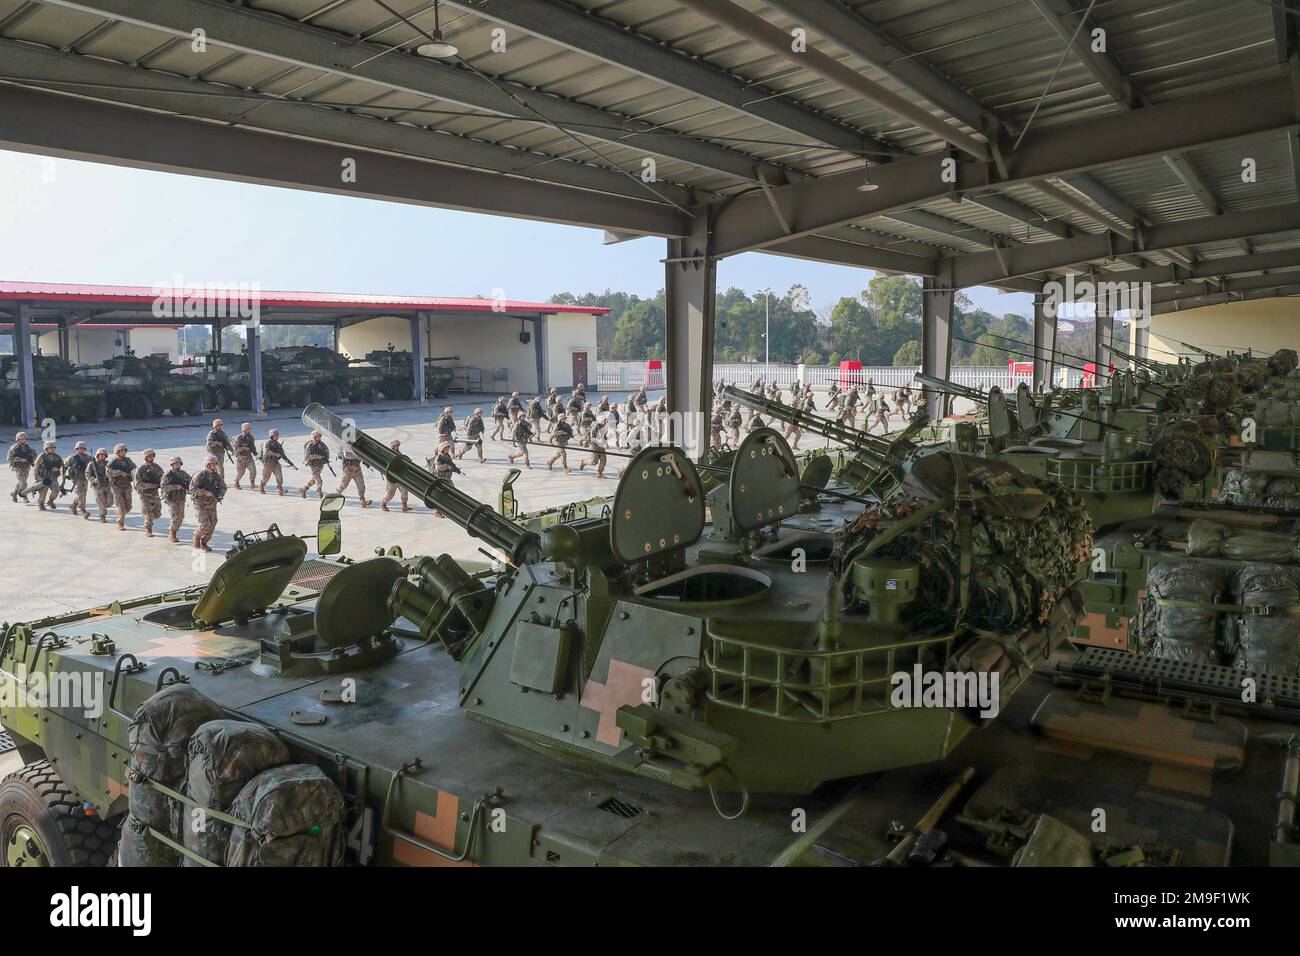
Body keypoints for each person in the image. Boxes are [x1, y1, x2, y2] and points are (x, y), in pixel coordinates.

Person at [189, 454, 225, 551]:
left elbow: (223, 487)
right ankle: (196, 537)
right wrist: (205, 492)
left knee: (213, 522)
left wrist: (220, 495)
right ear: (208, 465)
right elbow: (192, 489)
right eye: (212, 464)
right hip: (199, 503)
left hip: (211, 503)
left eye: (215, 464)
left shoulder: (216, 476)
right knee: (205, 524)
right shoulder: (200, 475)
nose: (214, 466)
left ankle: (204, 541)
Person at [135, 448, 164, 537]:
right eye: (149, 456)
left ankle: (149, 518)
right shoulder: (141, 469)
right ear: (145, 458)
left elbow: (163, 478)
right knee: (149, 513)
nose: (151, 458)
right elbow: (138, 484)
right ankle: (148, 529)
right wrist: (150, 485)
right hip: (144, 495)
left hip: (154, 494)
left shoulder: (157, 467)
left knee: (157, 514)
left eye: (152, 456)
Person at [162, 456, 190, 544]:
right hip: (171, 498)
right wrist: (175, 487)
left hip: (181, 498)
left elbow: (190, 483)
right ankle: (172, 533)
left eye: (179, 463)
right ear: (172, 465)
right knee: (175, 516)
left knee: (181, 517)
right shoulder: (168, 475)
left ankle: (174, 530)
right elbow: (163, 487)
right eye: (175, 464)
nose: (177, 465)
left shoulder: (184, 474)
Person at [107, 443, 136, 531]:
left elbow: (134, 469)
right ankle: (120, 523)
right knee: (121, 507)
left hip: (127, 486)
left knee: (128, 507)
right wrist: (119, 473)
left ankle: (119, 513)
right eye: (122, 451)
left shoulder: (128, 461)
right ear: (117, 452)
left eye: (125, 451)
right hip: (117, 487)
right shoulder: (113, 461)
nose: (124, 453)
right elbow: (108, 472)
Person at [430, 440, 461, 518]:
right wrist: (446, 467)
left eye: (448, 448)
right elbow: (438, 467)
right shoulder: (439, 457)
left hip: (447, 479)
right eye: (445, 448)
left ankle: (449, 509)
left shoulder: (448, 456)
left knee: (453, 492)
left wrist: (455, 469)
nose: (447, 449)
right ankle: (437, 512)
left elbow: (452, 465)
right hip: (441, 479)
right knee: (441, 495)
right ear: (442, 449)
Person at [380, 438, 412, 512]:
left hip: (400, 475)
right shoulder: (388, 453)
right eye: (396, 445)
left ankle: (404, 506)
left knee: (404, 490)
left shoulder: (399, 453)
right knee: (390, 493)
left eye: (398, 445)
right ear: (392, 446)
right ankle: (383, 503)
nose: (397, 447)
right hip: (392, 477)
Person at [32, 439, 63, 511]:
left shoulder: (57, 457)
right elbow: (36, 468)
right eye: (50, 448)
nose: (52, 449)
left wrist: (58, 469)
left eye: (53, 448)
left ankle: (50, 501)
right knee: (43, 493)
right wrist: (36, 479)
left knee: (56, 490)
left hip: (53, 477)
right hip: (43, 478)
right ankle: (41, 504)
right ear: (46, 448)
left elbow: (62, 466)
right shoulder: (41, 457)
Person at [64, 440, 91, 517]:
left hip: (85, 478)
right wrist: (65, 475)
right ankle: (83, 510)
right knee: (80, 495)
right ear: (77, 449)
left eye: (83, 448)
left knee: (83, 494)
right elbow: (65, 467)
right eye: (80, 448)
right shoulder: (72, 458)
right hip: (76, 479)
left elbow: (92, 467)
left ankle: (73, 505)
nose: (81, 450)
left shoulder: (88, 457)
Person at [259, 427, 289, 495]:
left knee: (279, 477)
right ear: (272, 436)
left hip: (275, 463)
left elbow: (282, 453)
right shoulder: (267, 443)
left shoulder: (278, 444)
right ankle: (262, 486)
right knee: (266, 477)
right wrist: (276, 454)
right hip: (268, 463)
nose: (277, 436)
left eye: (278, 435)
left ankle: (280, 490)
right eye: (276, 435)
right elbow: (266, 452)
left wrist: (287, 460)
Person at [300, 430, 329, 498]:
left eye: (320, 436)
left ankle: (303, 489)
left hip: (320, 465)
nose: (319, 438)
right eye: (318, 436)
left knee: (313, 480)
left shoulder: (322, 444)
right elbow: (306, 457)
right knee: (319, 480)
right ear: (314, 437)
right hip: (313, 465)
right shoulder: (310, 445)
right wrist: (317, 456)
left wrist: (325, 459)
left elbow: (327, 452)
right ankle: (320, 494)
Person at [7, 431, 35, 503]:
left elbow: (35, 456)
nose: (23, 440)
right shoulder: (14, 448)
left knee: (21, 481)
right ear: (18, 440)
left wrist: (32, 461)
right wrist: (20, 459)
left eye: (24, 439)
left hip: (26, 467)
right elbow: (9, 459)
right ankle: (24, 496)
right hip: (18, 467)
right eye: (21, 439)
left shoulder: (29, 447)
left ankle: (14, 493)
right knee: (23, 483)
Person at [87, 448, 111, 523]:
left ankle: (103, 509)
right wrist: (93, 479)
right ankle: (102, 516)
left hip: (107, 485)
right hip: (97, 486)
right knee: (100, 502)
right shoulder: (92, 464)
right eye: (100, 455)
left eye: (103, 455)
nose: (102, 456)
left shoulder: (108, 464)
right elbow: (87, 474)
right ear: (97, 456)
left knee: (110, 502)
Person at [232, 422, 257, 490]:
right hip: (241, 458)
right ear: (244, 430)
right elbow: (235, 449)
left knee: (253, 471)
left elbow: (253, 447)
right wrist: (244, 448)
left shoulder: (251, 437)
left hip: (249, 457)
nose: (249, 430)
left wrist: (256, 454)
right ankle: (236, 482)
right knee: (241, 473)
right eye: (248, 429)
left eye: (250, 429)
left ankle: (252, 484)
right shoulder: (239, 438)